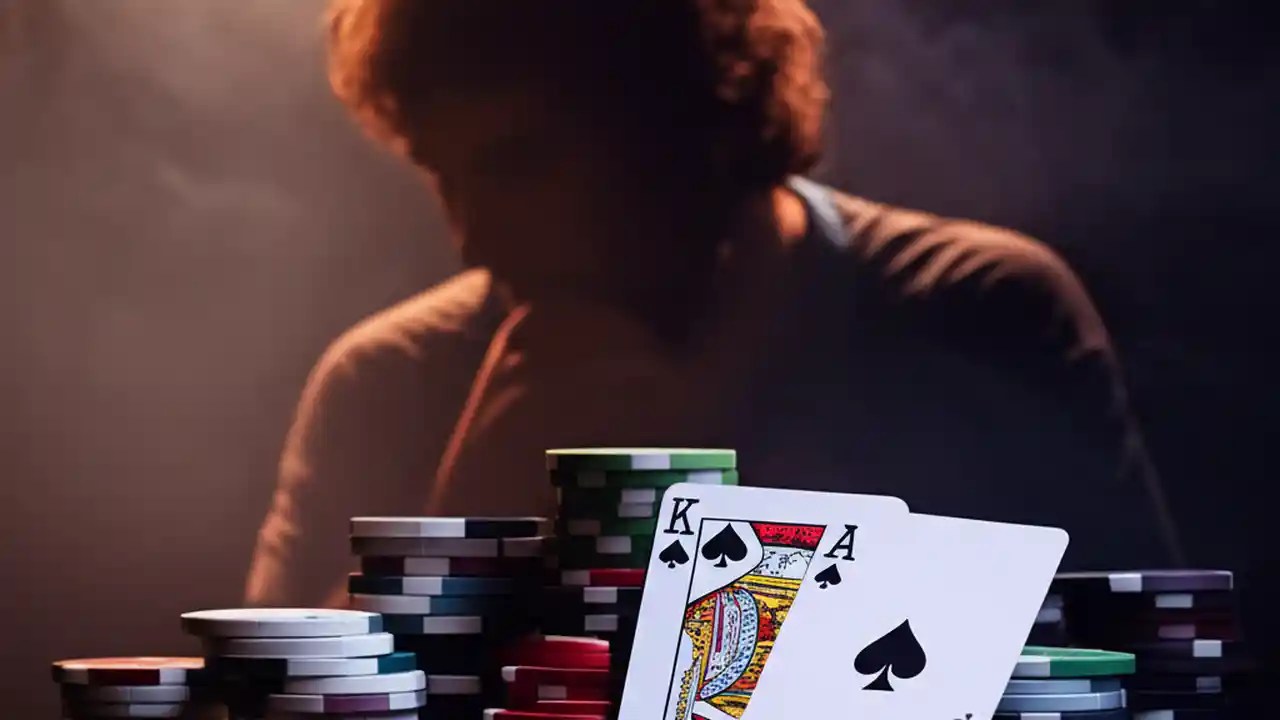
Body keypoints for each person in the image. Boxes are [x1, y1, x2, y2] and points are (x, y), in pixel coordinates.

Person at [245, 0, 1183, 607]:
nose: (474, 240)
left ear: (692, 116)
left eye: (521, 165)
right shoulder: (388, 383)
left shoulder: (975, 315)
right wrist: (457, 554)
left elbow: (1152, 686)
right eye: (443, 178)